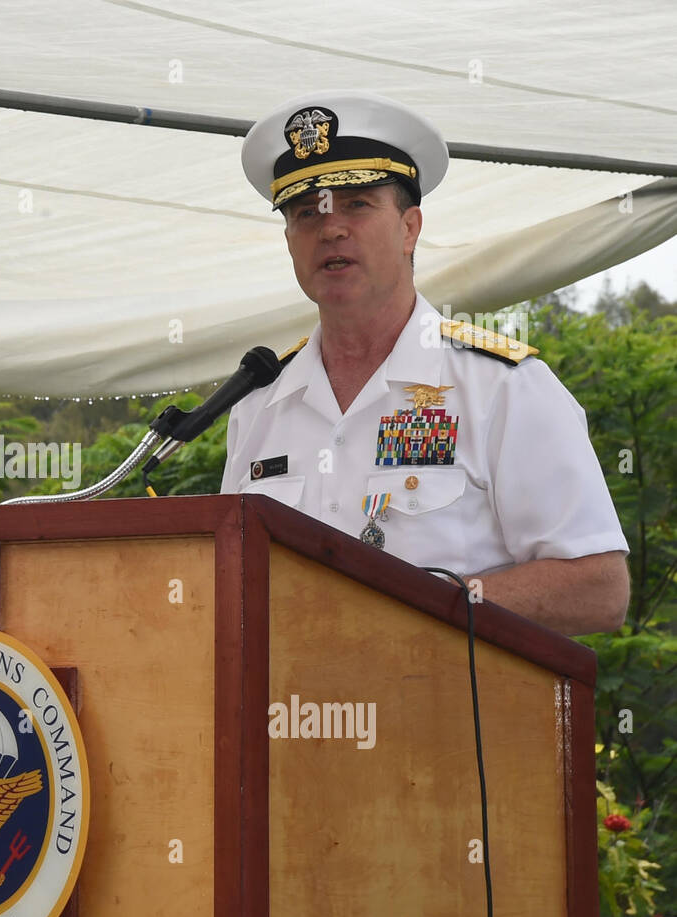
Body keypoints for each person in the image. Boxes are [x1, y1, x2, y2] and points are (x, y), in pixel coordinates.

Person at [222, 91, 629, 636]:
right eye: (304, 212)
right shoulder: (257, 405)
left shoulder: (502, 388)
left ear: (410, 227)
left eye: (358, 204)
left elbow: (598, 588)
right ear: (290, 241)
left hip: (447, 713)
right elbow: (229, 582)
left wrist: (418, 608)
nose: (330, 228)